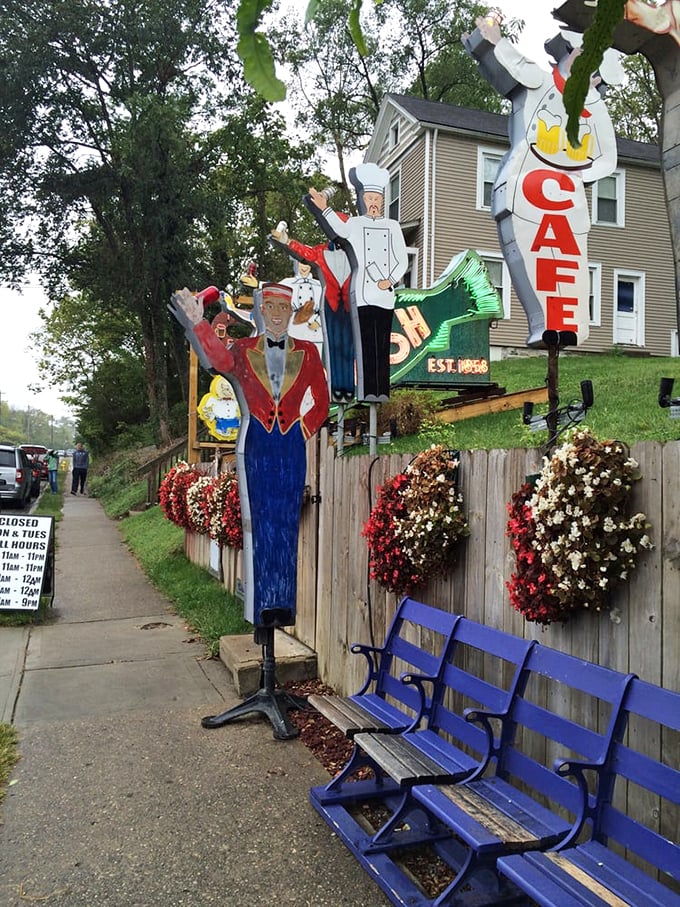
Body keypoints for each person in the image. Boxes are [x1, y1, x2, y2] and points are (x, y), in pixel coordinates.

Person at [169, 281, 329, 629]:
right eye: (269, 307)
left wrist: (302, 429)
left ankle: (281, 602)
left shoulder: (308, 352)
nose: (275, 314)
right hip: (256, 441)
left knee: (286, 524)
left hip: (290, 446)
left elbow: (321, 400)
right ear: (258, 310)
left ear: (291, 313)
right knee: (259, 523)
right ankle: (262, 604)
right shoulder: (242, 349)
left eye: (282, 308)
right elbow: (217, 359)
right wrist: (198, 323)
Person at [463, 19, 619, 347]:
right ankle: (544, 323)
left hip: (567, 196)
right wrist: (488, 41)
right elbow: (510, 65)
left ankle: (569, 326)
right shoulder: (537, 83)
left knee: (571, 260)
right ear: (567, 52)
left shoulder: (596, 109)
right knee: (530, 252)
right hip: (527, 186)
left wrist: (579, 176)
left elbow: (608, 159)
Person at [307, 163, 409, 402]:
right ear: (363, 199)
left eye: (378, 198)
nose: (373, 202)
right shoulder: (355, 224)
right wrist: (324, 209)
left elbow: (402, 259)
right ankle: (368, 389)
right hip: (362, 294)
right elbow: (338, 230)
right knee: (365, 343)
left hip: (385, 295)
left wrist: (390, 279)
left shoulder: (392, 226)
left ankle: (381, 390)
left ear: (383, 200)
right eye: (370, 198)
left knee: (383, 343)